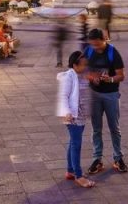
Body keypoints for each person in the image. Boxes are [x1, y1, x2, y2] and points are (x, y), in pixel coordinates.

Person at [84, 28, 127, 175]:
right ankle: (97, 159)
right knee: (96, 128)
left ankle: (118, 158)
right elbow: (82, 70)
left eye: (98, 45)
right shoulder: (88, 51)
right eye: (93, 45)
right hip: (94, 94)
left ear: (104, 40)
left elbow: (121, 75)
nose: (96, 48)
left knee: (114, 127)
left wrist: (110, 79)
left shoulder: (112, 52)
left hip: (111, 94)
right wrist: (91, 77)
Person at [57, 50, 96, 189]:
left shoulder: (81, 75)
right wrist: (66, 112)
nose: (85, 67)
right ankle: (79, 176)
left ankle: (70, 170)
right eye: (83, 65)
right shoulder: (69, 77)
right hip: (72, 116)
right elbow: (63, 96)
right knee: (76, 145)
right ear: (74, 65)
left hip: (81, 116)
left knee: (73, 143)